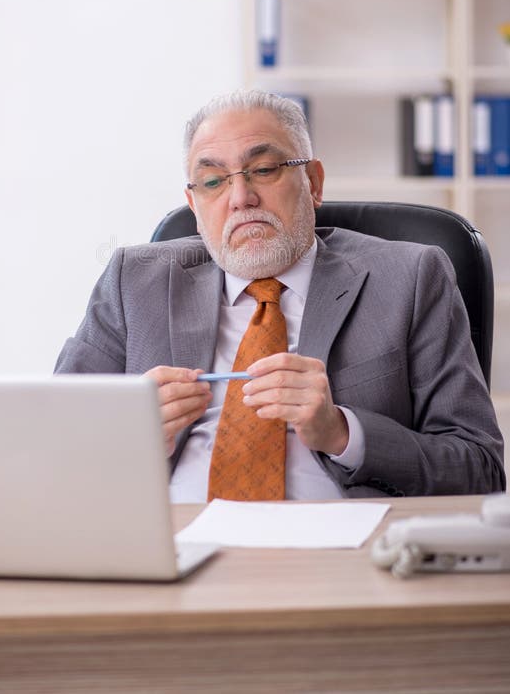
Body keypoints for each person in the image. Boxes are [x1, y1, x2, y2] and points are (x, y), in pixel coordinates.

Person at [55, 90, 505, 500]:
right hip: (172, 546)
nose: (240, 198)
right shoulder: (134, 281)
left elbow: (480, 469)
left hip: (341, 558)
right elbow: (50, 445)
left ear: (313, 182)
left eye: (264, 170)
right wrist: (126, 437)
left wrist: (342, 433)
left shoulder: (409, 277)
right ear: (194, 208)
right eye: (213, 182)